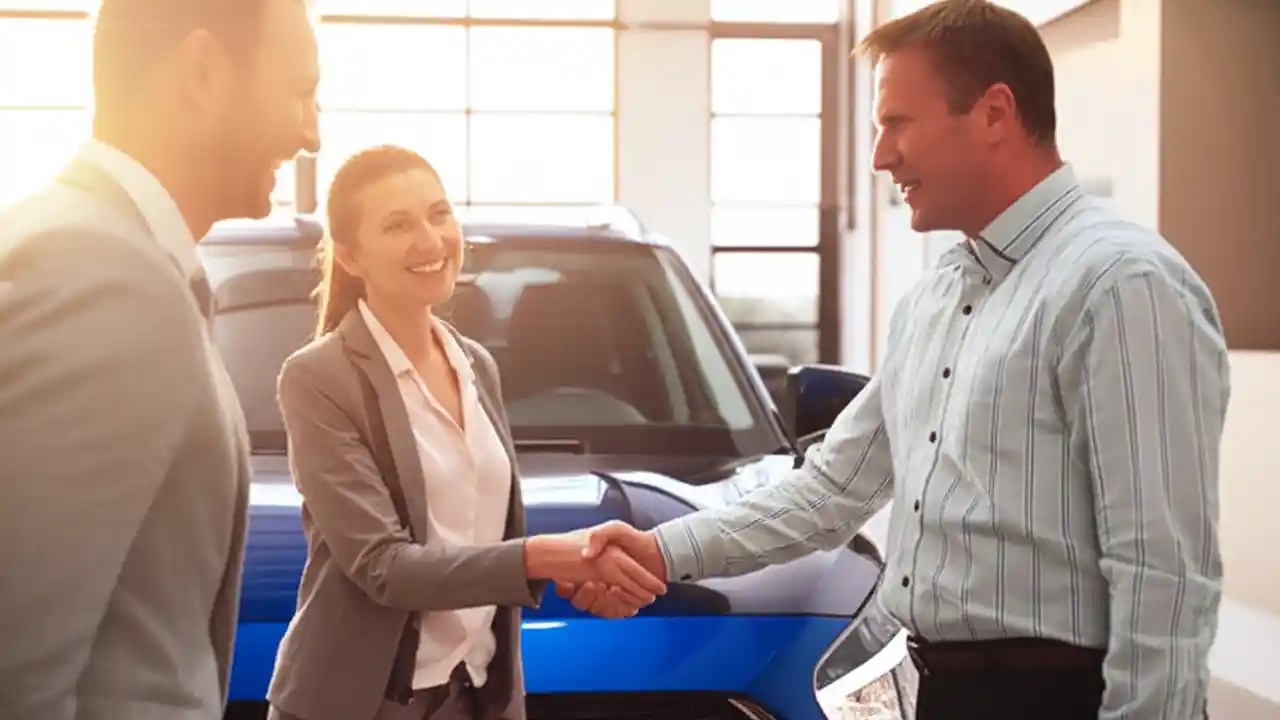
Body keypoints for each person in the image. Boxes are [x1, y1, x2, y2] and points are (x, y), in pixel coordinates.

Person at [563, 1, 1229, 718]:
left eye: (897, 123)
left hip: (1058, 698)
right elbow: (830, 490)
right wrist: (659, 551)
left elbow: (1162, 571)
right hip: (940, 692)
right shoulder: (937, 297)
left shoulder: (1120, 285)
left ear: (994, 113)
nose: (880, 157)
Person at [264, 145, 666, 720]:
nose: (430, 240)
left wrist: (576, 570)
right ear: (350, 256)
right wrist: (549, 557)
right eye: (398, 225)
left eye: (439, 214)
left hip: (474, 695)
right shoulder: (319, 377)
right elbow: (383, 566)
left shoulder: (475, 364)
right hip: (361, 705)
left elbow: (477, 537)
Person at [0, 0, 320, 718]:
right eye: (299, 91)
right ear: (201, 72)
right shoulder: (101, 272)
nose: (310, 133)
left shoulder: (94, 245)